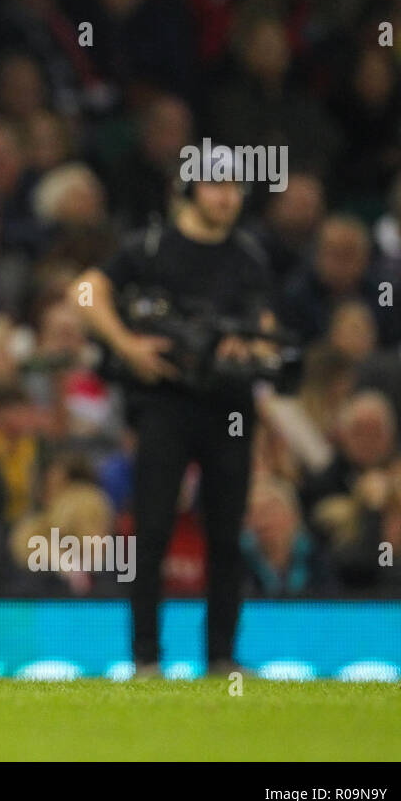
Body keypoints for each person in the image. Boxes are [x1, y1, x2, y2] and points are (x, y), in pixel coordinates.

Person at [71, 147, 277, 676]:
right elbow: (88, 291)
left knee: (227, 534)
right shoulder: (151, 247)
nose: (226, 195)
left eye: (234, 186)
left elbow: (265, 330)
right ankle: (145, 658)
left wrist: (250, 351)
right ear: (189, 190)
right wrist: (128, 347)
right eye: (215, 184)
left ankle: (222, 656)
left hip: (228, 406)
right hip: (165, 401)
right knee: (153, 529)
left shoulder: (249, 256)